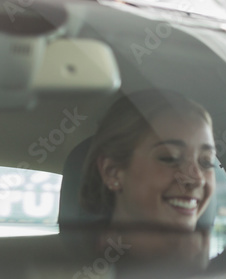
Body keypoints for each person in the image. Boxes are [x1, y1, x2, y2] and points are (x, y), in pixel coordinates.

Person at [79, 90, 216, 231]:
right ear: (112, 172)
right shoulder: (64, 253)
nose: (197, 179)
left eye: (206, 162)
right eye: (170, 158)